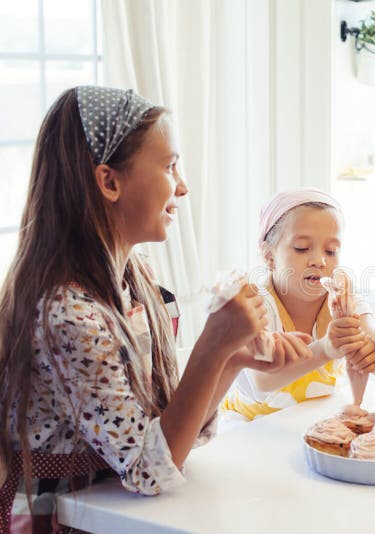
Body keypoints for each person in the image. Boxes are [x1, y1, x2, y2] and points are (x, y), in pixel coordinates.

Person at [0, 86, 304, 531]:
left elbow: (167, 439)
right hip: (66, 518)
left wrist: (230, 358)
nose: (182, 185)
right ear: (109, 182)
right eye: (169, 165)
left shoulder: (132, 281)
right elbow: (148, 468)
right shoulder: (67, 313)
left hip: (114, 507)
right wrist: (210, 345)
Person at [222, 189, 375, 420]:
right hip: (249, 426)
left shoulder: (344, 300)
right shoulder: (252, 304)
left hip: (313, 420)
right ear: (269, 257)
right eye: (301, 248)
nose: (319, 261)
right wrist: (326, 349)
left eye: (331, 251)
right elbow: (263, 380)